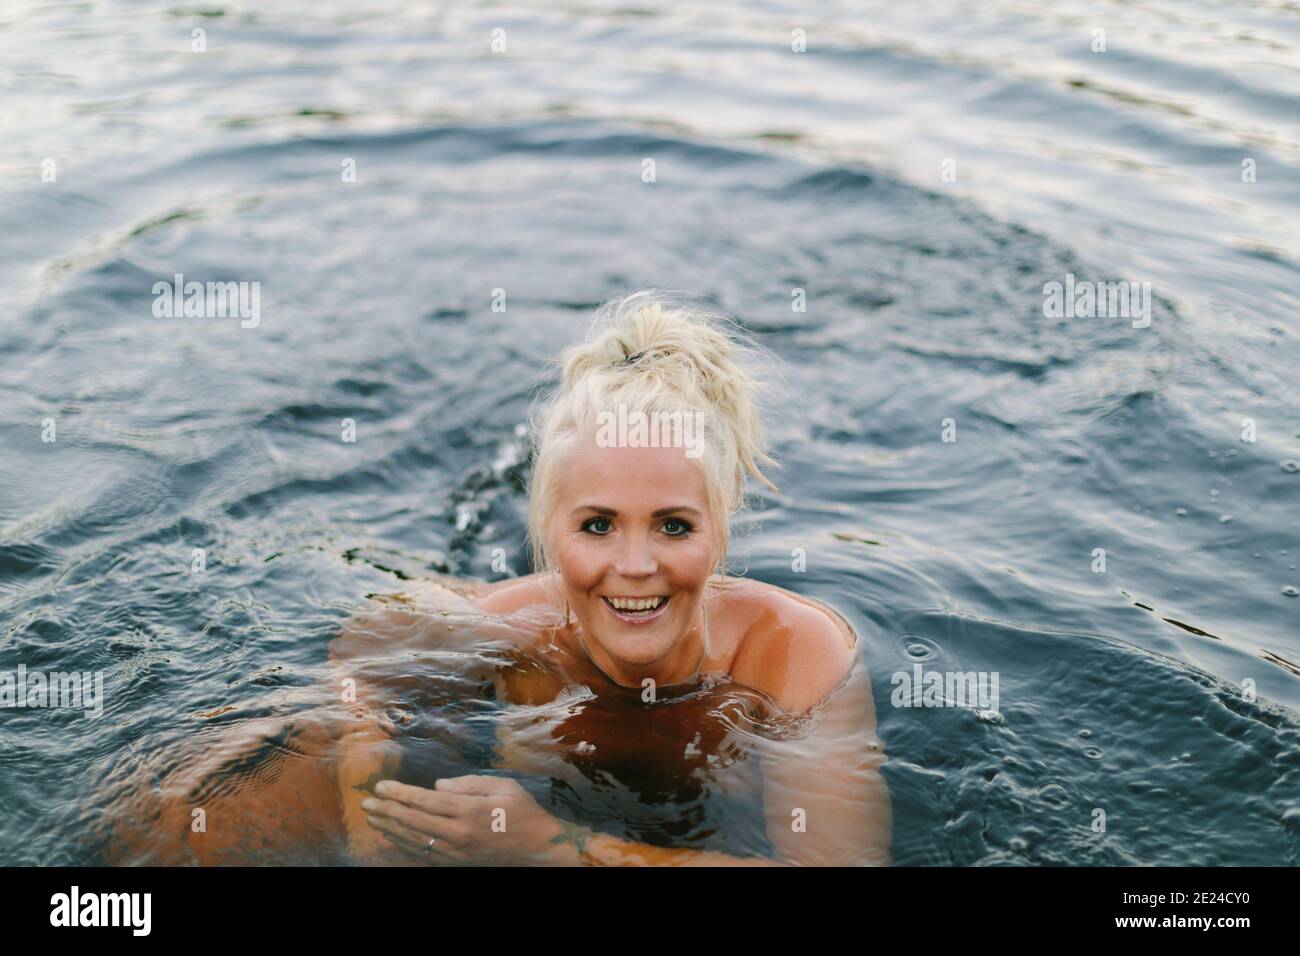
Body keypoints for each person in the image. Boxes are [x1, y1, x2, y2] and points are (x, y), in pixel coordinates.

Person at [102, 291, 890, 867]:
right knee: (166, 818)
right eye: (596, 525)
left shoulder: (794, 656)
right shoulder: (514, 629)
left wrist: (559, 849)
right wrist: (363, 806)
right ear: (548, 533)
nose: (636, 565)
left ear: (724, 527)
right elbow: (371, 642)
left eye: (674, 526)